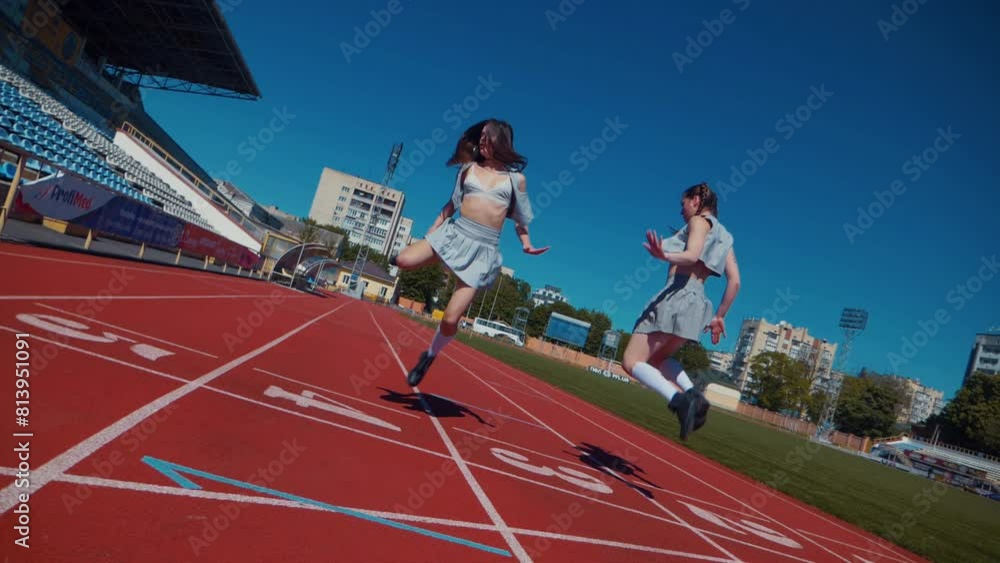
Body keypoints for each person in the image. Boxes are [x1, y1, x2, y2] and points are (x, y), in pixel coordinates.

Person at [394, 119, 549, 386]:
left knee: (451, 318)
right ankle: (400, 256)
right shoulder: (467, 170)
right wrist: (430, 234)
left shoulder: (516, 180)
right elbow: (449, 207)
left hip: (483, 251)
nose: (482, 142)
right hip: (455, 235)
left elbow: (520, 221)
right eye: (480, 138)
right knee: (402, 260)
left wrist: (526, 244)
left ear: (500, 141)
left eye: (487, 138)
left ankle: (430, 355)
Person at [622, 183, 741, 440]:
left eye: (683, 203)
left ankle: (679, 400)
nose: (681, 210)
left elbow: (691, 255)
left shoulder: (699, 222)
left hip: (678, 294)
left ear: (696, 200)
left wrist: (663, 255)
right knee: (657, 361)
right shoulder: (725, 237)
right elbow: (735, 281)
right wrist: (720, 315)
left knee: (631, 361)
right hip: (699, 303)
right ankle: (693, 394)